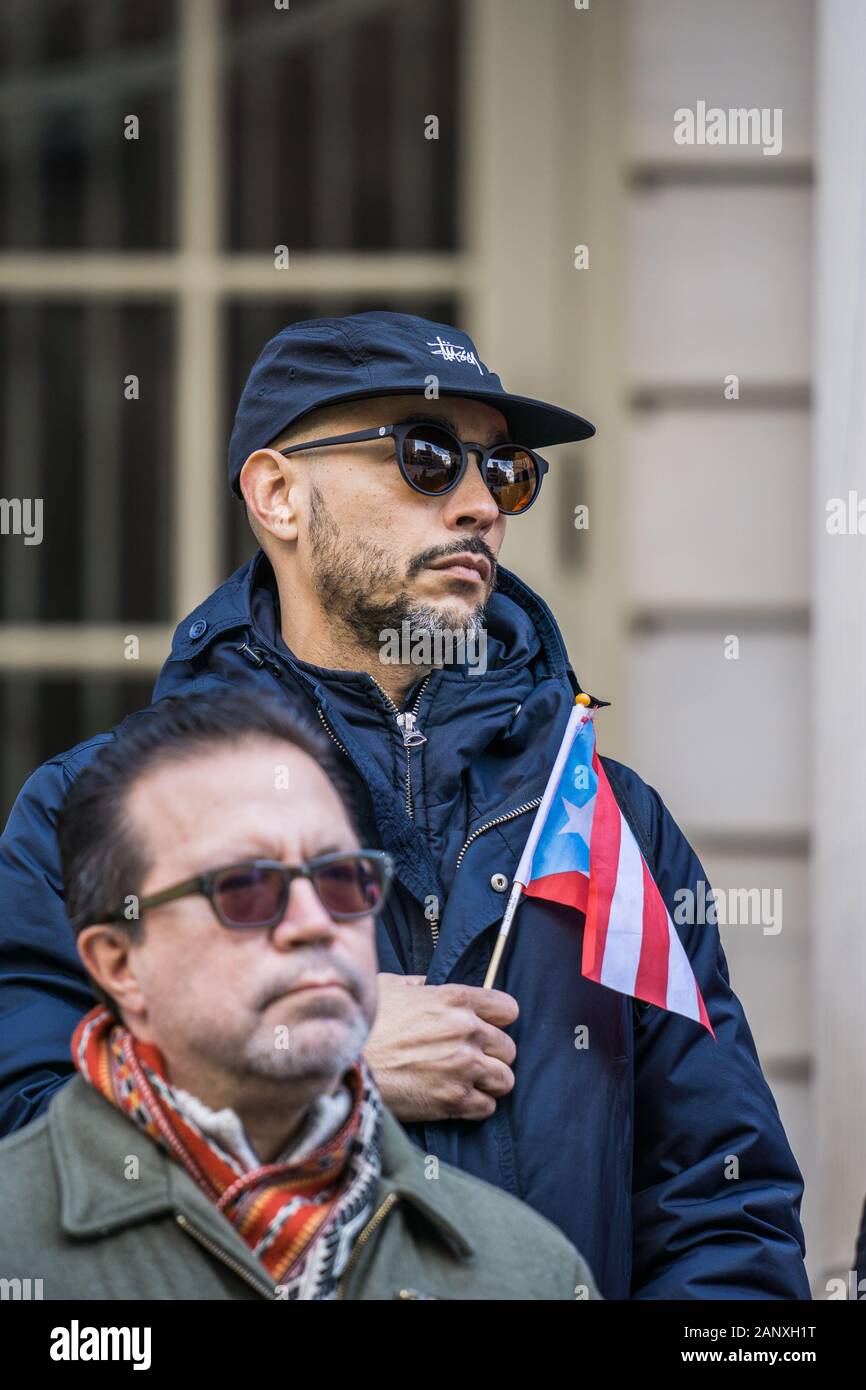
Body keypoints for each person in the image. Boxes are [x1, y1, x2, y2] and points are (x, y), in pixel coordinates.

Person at [0, 310, 810, 1298]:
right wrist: (315, 1070)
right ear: (277, 495)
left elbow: (722, 1209)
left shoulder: (611, 819)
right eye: (426, 457)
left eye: (504, 470)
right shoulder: (90, 813)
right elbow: (28, 1153)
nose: (479, 504)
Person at [0, 690, 600, 1301]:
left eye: (341, 877)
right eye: (246, 886)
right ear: (120, 963)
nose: (315, 922)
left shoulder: (532, 1274)